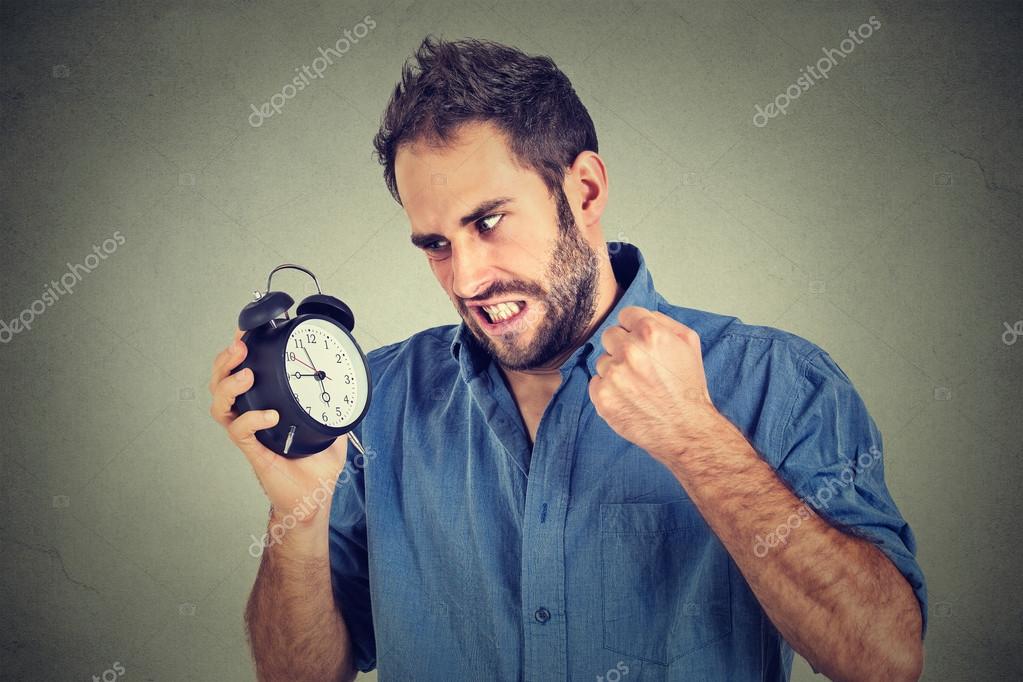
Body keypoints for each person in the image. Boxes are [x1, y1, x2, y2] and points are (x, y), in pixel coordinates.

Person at [209, 36, 926, 681]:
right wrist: (293, 514)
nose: (464, 278)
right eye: (434, 245)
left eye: (487, 222)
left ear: (583, 190)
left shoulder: (779, 382)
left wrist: (697, 443)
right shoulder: (378, 401)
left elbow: (883, 661)